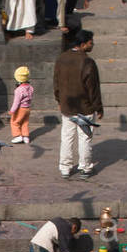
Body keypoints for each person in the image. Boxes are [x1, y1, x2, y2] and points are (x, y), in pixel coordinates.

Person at [53, 29, 102, 180]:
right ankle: (85, 167)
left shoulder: (62, 58)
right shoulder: (87, 62)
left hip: (67, 105)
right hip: (84, 106)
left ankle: (65, 168)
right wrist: (98, 107)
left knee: (67, 137)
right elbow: (93, 88)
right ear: (83, 44)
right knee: (85, 137)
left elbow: (56, 83)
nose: (92, 45)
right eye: (90, 42)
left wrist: (59, 100)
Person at [9, 66, 33, 143]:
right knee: (25, 122)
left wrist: (12, 110)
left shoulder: (18, 90)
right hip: (28, 108)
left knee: (14, 122)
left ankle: (18, 136)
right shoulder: (30, 87)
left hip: (20, 109)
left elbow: (16, 102)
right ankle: (26, 137)